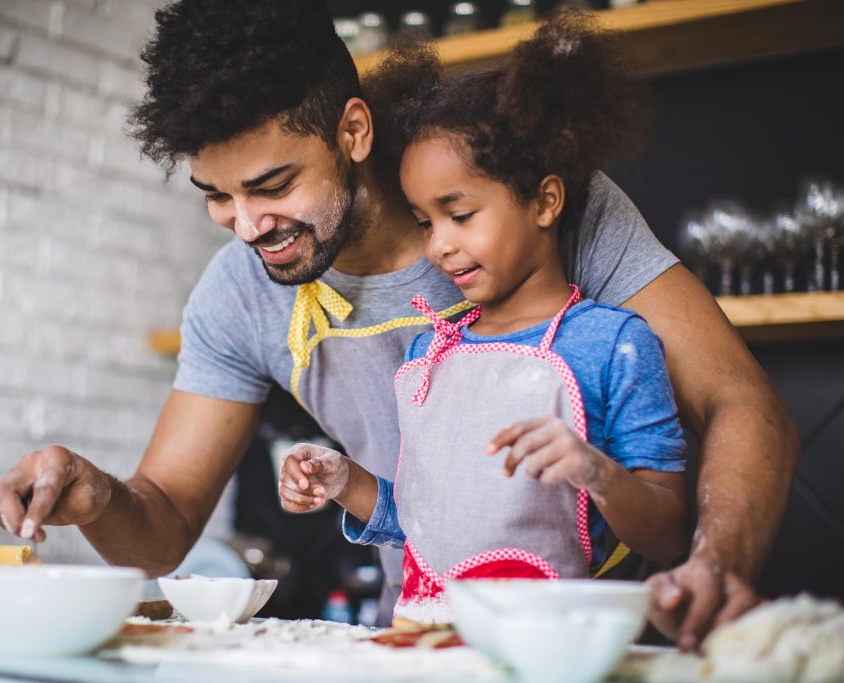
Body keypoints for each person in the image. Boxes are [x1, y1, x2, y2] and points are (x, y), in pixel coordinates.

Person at [0, 0, 798, 650]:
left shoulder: (515, 198)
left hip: (605, 640)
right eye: (216, 194)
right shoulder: (238, 291)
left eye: (272, 184)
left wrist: (714, 567)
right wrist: (96, 496)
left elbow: (743, 403)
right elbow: (162, 527)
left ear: (352, 130)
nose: (244, 225)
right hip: (420, 636)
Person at [276, 15, 689, 624]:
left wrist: (594, 472)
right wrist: (344, 481)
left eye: (460, 214)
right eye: (425, 221)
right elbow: (419, 525)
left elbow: (669, 532)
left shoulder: (612, 343)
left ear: (546, 201)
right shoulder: (429, 351)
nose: (439, 244)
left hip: (542, 646)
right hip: (420, 637)